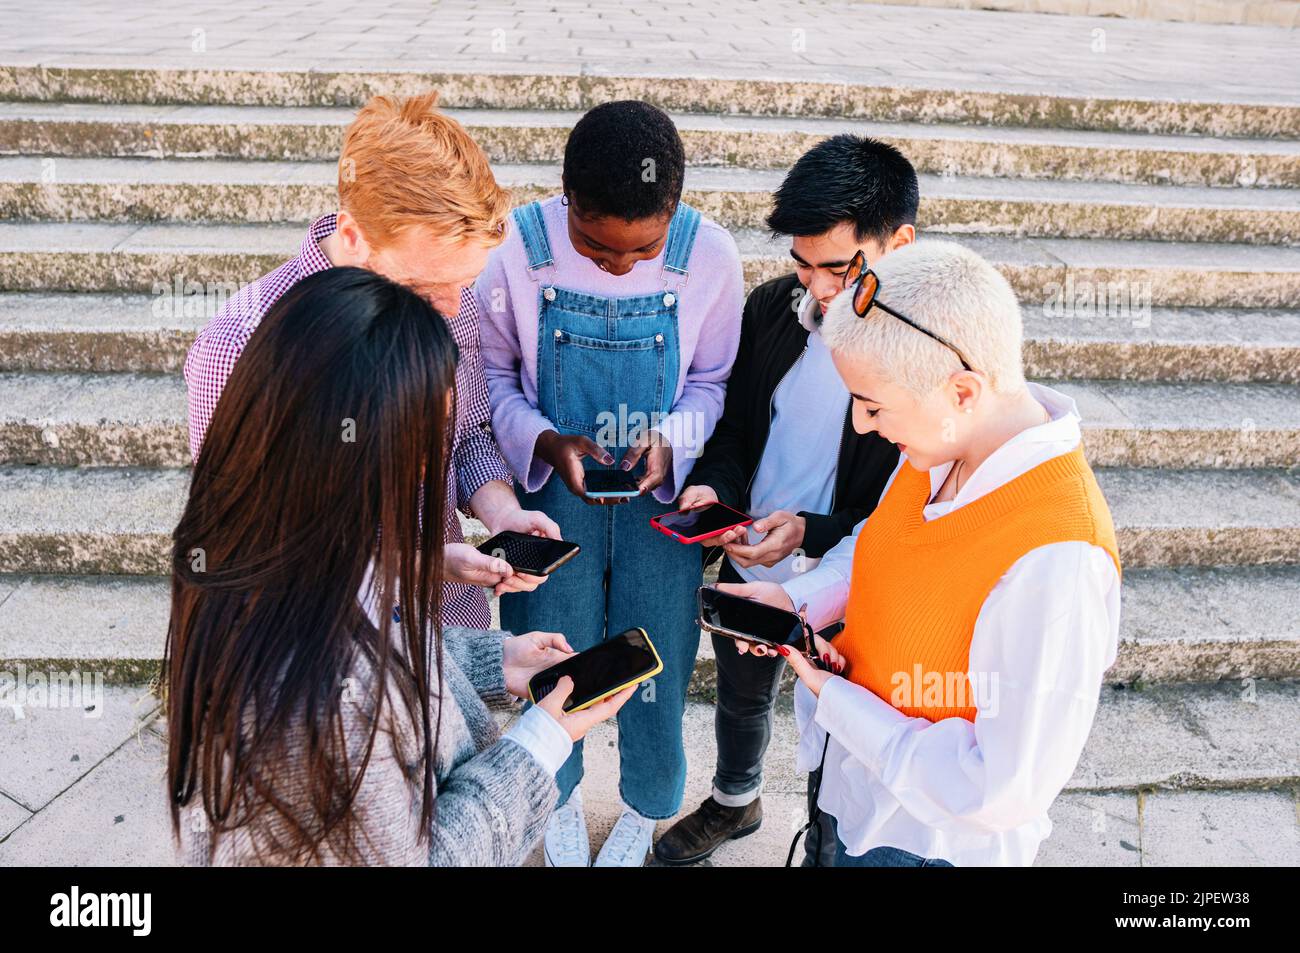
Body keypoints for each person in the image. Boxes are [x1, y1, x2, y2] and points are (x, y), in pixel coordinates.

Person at [165, 267, 633, 866]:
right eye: (423, 441)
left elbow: (381, 652)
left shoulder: (278, 555)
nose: (427, 468)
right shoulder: (318, 692)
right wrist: (541, 741)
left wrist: (493, 663)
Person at [723, 240, 1122, 867]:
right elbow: (878, 546)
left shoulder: (1057, 558)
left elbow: (997, 788)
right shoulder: (936, 447)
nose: (859, 426)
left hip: (925, 841)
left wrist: (839, 700)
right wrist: (795, 601)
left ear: (962, 390)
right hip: (852, 788)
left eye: (872, 405)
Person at [475, 101, 744, 866]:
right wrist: (544, 440)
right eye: (595, 248)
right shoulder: (516, 252)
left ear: (675, 211)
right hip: (552, 499)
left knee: (656, 652)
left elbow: (713, 380)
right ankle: (551, 797)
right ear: (566, 197)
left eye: (641, 249)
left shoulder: (711, 256)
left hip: (660, 507)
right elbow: (494, 376)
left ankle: (644, 808)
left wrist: (674, 440)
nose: (621, 265)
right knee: (552, 654)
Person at [184, 91, 557, 630]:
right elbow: (249, 547)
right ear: (353, 236)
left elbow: (470, 430)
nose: (451, 309)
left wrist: (503, 513)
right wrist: (422, 565)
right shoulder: (240, 345)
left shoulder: (451, 297)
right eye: (425, 289)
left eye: (466, 283)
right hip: (319, 647)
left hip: (447, 620)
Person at [655, 136, 915, 865]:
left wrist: (811, 531)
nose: (818, 287)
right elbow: (736, 431)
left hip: (855, 578)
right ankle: (735, 802)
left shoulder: (918, 348)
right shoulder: (775, 309)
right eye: (803, 264)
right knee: (740, 695)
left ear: (899, 243)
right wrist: (715, 491)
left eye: (837, 267)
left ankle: (826, 837)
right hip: (751, 550)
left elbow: (907, 507)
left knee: (837, 723)